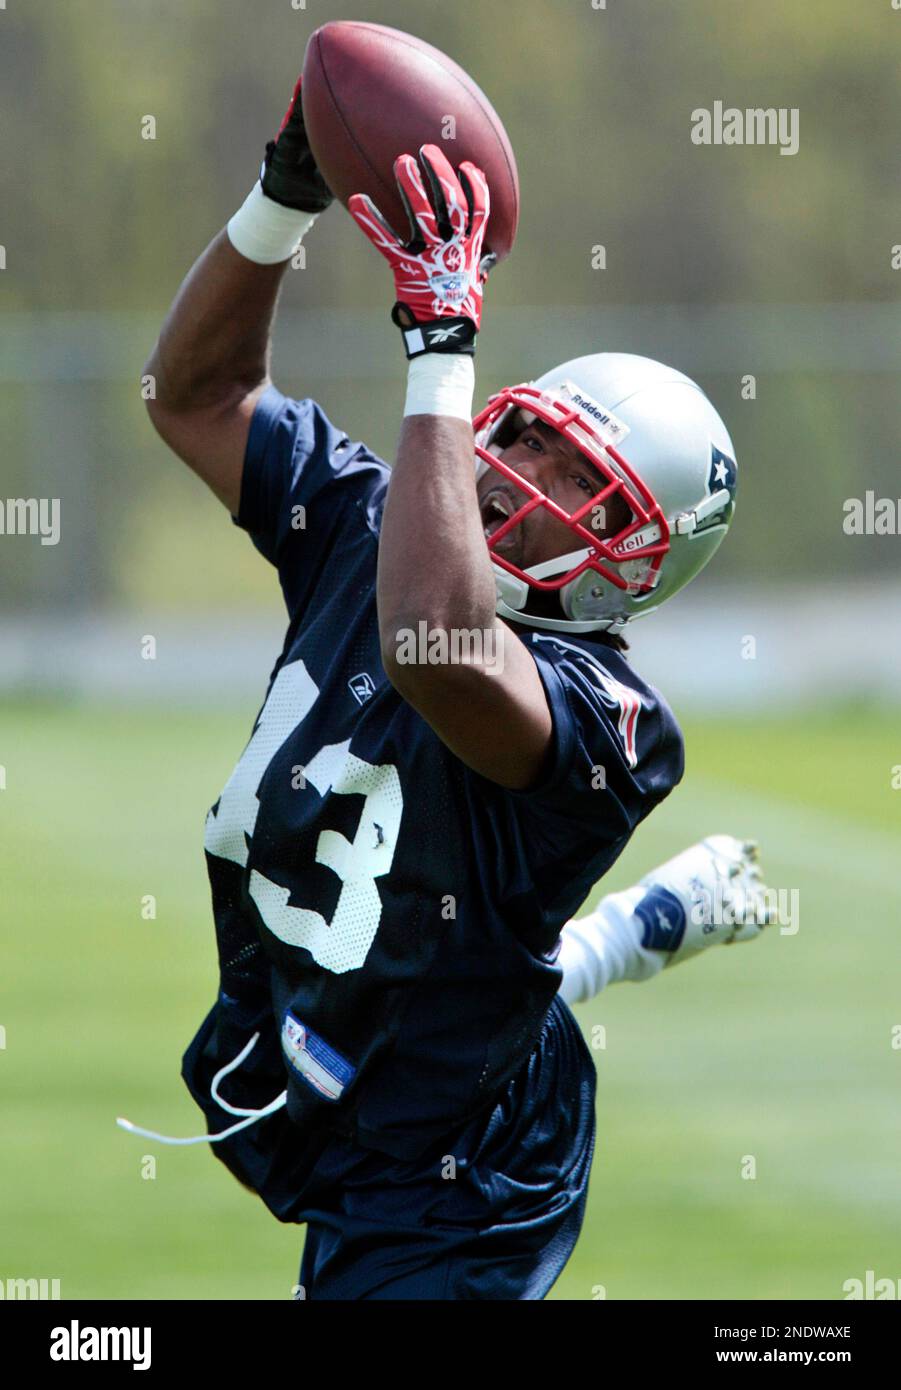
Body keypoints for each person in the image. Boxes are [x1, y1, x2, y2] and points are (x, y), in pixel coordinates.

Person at [125, 79, 769, 1300]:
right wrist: (280, 199)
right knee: (432, 971)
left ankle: (585, 951)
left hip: (462, 1175)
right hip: (349, 1015)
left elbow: (434, 646)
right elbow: (194, 396)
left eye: (576, 480)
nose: (514, 472)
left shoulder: (611, 720)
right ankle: (604, 944)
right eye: (525, 434)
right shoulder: (375, 522)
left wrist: (438, 345)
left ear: (632, 561)